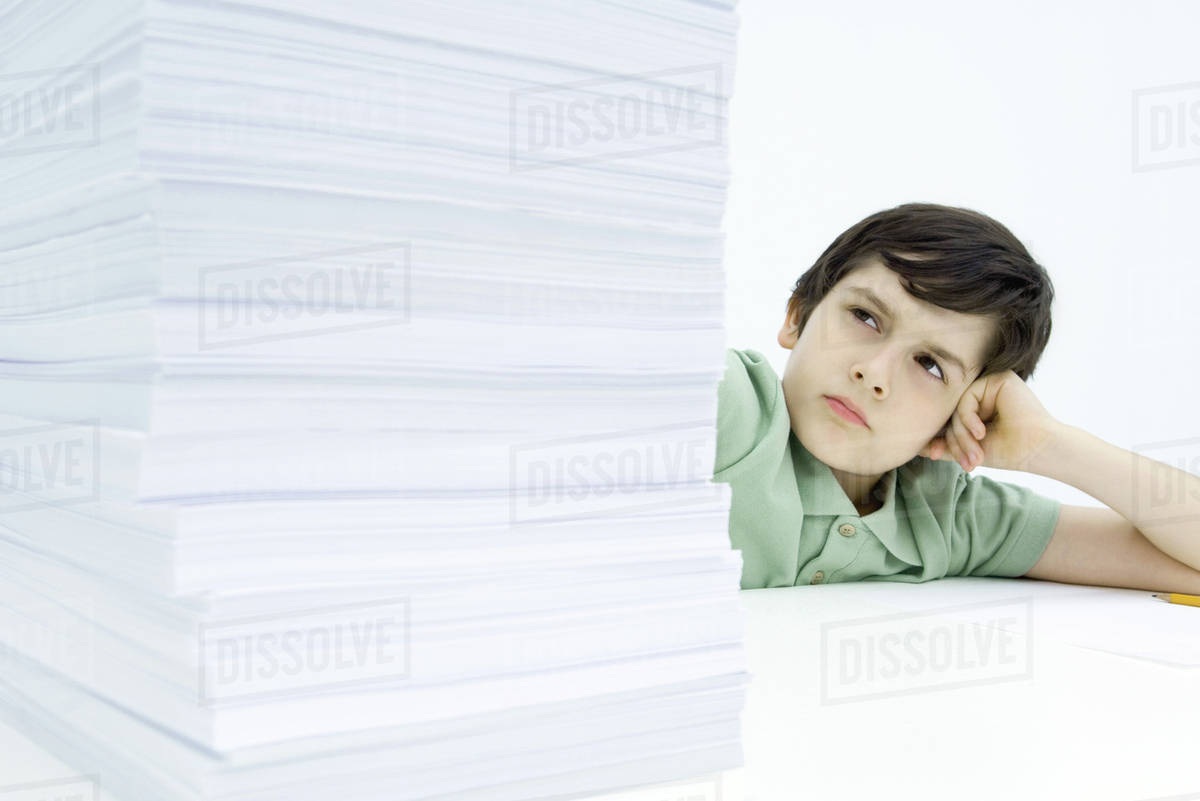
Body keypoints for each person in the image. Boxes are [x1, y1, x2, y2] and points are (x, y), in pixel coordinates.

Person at [715, 202, 1200, 593]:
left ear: (971, 404)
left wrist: (1049, 445)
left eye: (930, 364)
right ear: (797, 316)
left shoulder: (946, 517)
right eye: (864, 316)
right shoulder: (729, 406)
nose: (873, 373)